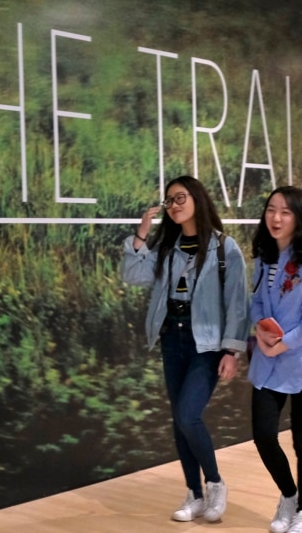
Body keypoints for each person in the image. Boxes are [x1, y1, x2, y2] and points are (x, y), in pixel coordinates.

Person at [121, 176, 249, 523]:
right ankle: (194, 493)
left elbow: (238, 303)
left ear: (197, 199)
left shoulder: (225, 248)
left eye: (180, 198)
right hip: (172, 337)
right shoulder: (167, 247)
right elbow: (132, 275)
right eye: (169, 201)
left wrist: (232, 351)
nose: (174, 205)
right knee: (179, 420)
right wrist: (142, 234)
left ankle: (216, 483)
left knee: (188, 415)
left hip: (206, 342)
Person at [248, 186, 302, 533]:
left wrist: (278, 345)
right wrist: (259, 329)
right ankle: (289, 495)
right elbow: (256, 300)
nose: (276, 218)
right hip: (268, 360)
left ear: (299, 217)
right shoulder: (264, 256)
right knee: (263, 435)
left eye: (285, 211)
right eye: (271, 209)